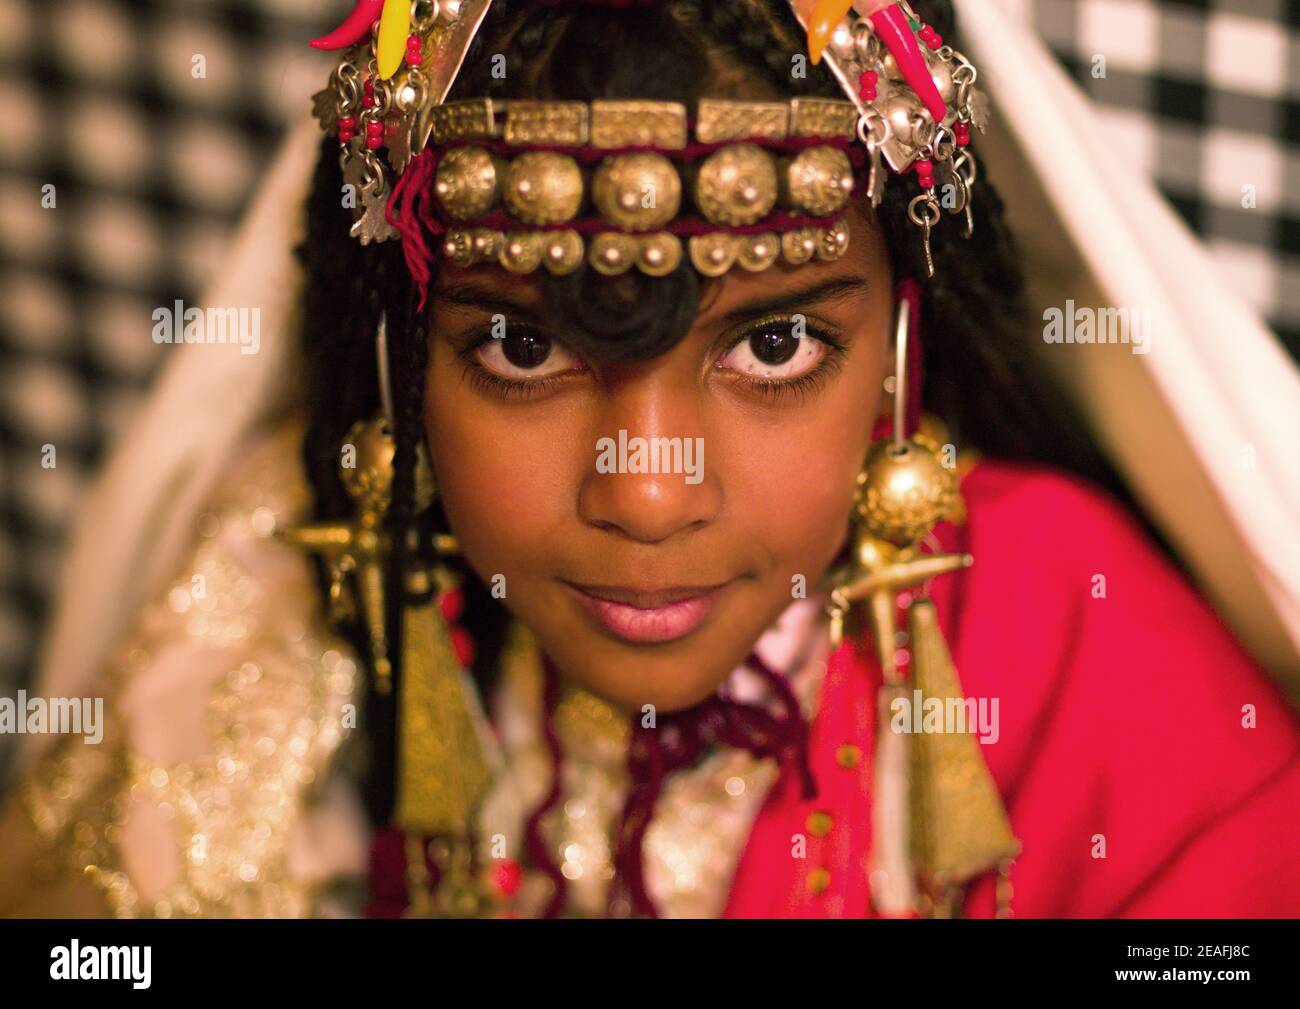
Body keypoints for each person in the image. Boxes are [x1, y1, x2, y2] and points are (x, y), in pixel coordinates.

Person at [2, 0, 1298, 919]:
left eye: (777, 343)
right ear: (398, 357)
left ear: (905, 344)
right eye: (518, 347)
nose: (648, 486)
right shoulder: (286, 584)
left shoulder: (1080, 637)